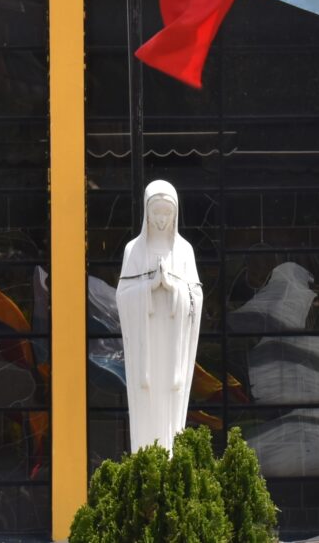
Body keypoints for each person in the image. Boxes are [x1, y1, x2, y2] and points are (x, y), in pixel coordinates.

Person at [117, 180, 203, 451]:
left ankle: (170, 455)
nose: (162, 219)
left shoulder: (185, 251)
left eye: (167, 213)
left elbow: (196, 298)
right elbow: (122, 295)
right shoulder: (134, 250)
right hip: (146, 347)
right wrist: (150, 287)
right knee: (147, 400)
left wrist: (173, 288)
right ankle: (144, 454)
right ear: (147, 213)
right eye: (157, 213)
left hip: (172, 345)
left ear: (175, 215)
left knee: (170, 401)